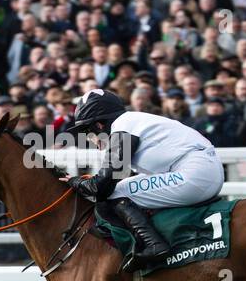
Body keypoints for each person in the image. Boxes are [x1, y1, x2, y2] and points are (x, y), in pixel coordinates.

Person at [67, 88, 223, 271]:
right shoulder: (132, 121)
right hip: (201, 170)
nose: (89, 139)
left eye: (88, 131)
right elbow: (116, 176)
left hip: (196, 174)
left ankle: (154, 245)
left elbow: (102, 187)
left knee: (116, 193)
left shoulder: (123, 127)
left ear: (99, 125)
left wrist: (75, 182)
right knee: (122, 189)